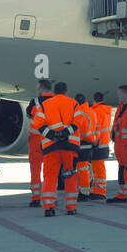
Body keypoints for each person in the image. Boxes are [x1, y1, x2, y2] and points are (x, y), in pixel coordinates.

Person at [39, 81, 81, 217]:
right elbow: (79, 121)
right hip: (69, 146)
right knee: (70, 175)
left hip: (51, 147)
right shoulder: (73, 103)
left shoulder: (45, 105)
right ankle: (71, 207)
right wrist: (65, 133)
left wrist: (52, 135)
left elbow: (38, 123)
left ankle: (49, 207)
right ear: (66, 91)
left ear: (54, 92)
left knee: (50, 176)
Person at [25, 79, 53, 207]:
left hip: (36, 139)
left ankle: (36, 197)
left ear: (42, 88)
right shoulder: (56, 101)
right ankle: (51, 196)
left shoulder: (34, 102)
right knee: (51, 169)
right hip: (51, 138)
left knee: (35, 169)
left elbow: (29, 114)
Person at [88, 91, 112, 199]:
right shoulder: (106, 111)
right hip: (104, 143)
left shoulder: (95, 111)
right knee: (99, 169)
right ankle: (98, 190)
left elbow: (95, 127)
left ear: (94, 99)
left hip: (97, 143)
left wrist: (93, 141)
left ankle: (100, 192)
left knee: (97, 169)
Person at [72, 93, 94, 202]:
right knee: (85, 167)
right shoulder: (90, 111)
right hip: (88, 143)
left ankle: (84, 192)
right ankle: (85, 190)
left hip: (82, 143)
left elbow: (84, 132)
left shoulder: (81, 113)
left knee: (82, 168)